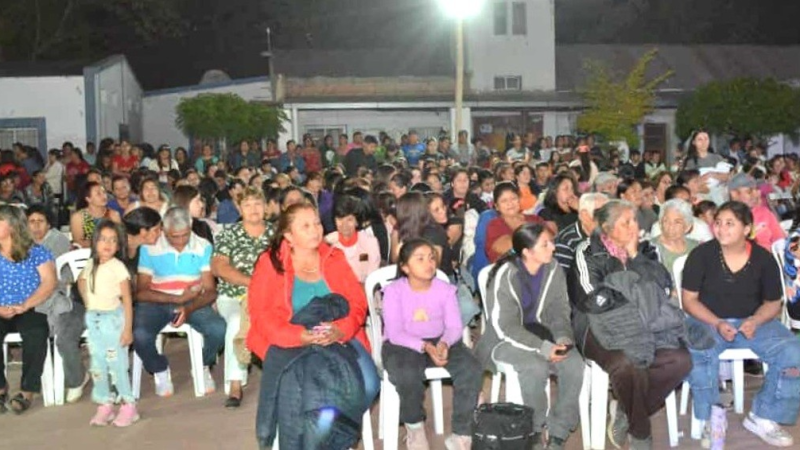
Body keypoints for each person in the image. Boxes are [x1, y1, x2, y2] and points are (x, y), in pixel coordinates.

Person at [247, 203, 378, 448]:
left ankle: (329, 440)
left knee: (368, 385)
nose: (315, 230)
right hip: (290, 341)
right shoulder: (270, 263)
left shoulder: (333, 256)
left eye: (317, 223)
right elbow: (261, 315)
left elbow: (357, 304)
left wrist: (341, 329)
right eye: (305, 226)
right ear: (288, 235)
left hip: (339, 338)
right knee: (308, 394)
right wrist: (300, 336)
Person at [570, 200, 692, 450]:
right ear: (606, 227)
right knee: (627, 364)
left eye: (635, 220)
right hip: (597, 328)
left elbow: (664, 286)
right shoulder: (588, 251)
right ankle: (640, 434)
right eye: (626, 222)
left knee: (680, 360)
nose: (634, 227)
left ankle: (628, 410)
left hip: (646, 325)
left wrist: (635, 255)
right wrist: (636, 302)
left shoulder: (646, 250)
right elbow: (591, 297)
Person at [682, 201, 800, 447]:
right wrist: (716, 323)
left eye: (730, 224)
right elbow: (689, 301)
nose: (721, 229)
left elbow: (772, 302)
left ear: (747, 229)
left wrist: (755, 320)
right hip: (708, 320)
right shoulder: (701, 255)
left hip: (753, 322)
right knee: (699, 350)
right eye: (718, 223)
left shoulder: (763, 259)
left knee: (794, 352)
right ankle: (709, 418)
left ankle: (763, 415)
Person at [477, 223, 585, 450]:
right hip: (502, 340)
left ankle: (558, 432)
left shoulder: (553, 269)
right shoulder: (505, 274)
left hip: (541, 333)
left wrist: (563, 338)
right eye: (545, 244)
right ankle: (535, 431)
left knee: (574, 363)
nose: (553, 248)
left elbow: (559, 310)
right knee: (534, 366)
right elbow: (504, 326)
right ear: (527, 251)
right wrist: (543, 348)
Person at [382, 238, 482, 450]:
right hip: (402, 344)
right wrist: (425, 346)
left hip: (439, 339)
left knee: (471, 368)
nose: (428, 264)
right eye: (420, 259)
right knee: (406, 374)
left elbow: (454, 327)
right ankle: (414, 426)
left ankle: (461, 433)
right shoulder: (394, 291)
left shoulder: (445, 289)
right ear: (405, 267)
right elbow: (395, 332)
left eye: (431, 258)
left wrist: (444, 343)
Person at [134, 207, 225, 397]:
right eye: (173, 237)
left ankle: (203, 364)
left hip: (193, 301)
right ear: (164, 231)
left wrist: (188, 307)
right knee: (139, 334)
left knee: (218, 329)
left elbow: (210, 291)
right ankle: (159, 368)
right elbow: (141, 292)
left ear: (191, 227)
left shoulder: (203, 246)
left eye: (184, 235)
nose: (180, 241)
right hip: (156, 301)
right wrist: (176, 299)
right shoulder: (150, 246)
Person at [211, 187, 274, 409]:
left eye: (258, 203)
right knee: (238, 321)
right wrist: (251, 283)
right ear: (239, 208)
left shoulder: (275, 234)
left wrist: (264, 287)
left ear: (266, 207)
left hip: (269, 296)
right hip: (233, 296)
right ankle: (235, 383)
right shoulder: (229, 234)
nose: (253, 209)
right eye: (247, 204)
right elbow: (219, 267)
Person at [77, 220, 139, 426]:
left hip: (113, 321)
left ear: (119, 245)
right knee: (98, 365)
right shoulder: (90, 264)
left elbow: (127, 300)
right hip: (94, 321)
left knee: (117, 365)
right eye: (103, 239)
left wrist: (127, 328)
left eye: (113, 240)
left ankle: (128, 404)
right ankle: (105, 403)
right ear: (94, 241)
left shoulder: (118, 267)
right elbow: (81, 280)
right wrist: (88, 302)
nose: (107, 244)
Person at [0, 205, 57, 414]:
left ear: (13, 226)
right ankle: (1, 388)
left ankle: (28, 390)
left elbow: (49, 282)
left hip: (29, 306)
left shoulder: (35, 251)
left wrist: (25, 304)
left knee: (36, 333)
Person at [485, 182, 548, 263]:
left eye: (513, 198)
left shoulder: (534, 219)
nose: (510, 203)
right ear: (497, 206)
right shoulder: (494, 225)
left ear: (519, 199)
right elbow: (504, 247)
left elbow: (549, 240)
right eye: (504, 201)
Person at [324, 195, 380, 283]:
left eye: (349, 220)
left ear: (357, 222)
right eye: (340, 219)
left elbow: (372, 278)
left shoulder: (370, 243)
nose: (344, 225)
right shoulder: (328, 243)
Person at [728, 173, 785, 251]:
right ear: (734, 195)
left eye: (755, 189)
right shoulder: (728, 220)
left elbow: (779, 236)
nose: (755, 194)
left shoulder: (763, 211)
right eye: (749, 191)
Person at [554, 192, 607, 271]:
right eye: (601, 213)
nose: (607, 219)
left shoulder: (612, 233)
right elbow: (564, 278)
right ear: (584, 215)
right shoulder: (566, 242)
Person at [650, 199, 698, 286]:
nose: (671, 226)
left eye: (677, 222)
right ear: (660, 224)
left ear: (687, 226)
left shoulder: (696, 247)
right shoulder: (651, 249)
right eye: (666, 221)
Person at [70, 181, 122, 248]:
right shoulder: (78, 217)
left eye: (104, 192)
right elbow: (78, 242)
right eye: (98, 194)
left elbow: (120, 238)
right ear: (88, 199)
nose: (103, 196)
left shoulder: (114, 215)